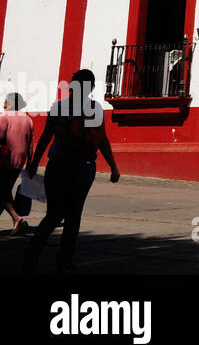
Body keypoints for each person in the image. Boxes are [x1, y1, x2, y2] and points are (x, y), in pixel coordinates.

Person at [22, 69, 120, 275]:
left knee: (54, 214)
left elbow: (46, 137)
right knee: (74, 216)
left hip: (58, 165)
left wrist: (34, 163)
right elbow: (101, 139)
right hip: (84, 166)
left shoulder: (59, 108)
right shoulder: (95, 108)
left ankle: (34, 251)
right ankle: (64, 260)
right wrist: (113, 166)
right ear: (92, 88)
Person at [0, 92, 33, 233]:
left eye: (5, 101)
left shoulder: (4, 117)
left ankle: (16, 217)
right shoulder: (28, 120)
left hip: (4, 161)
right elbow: (30, 145)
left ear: (10, 103)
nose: (4, 104)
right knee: (4, 190)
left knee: (2, 191)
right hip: (19, 162)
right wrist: (31, 164)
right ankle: (16, 218)